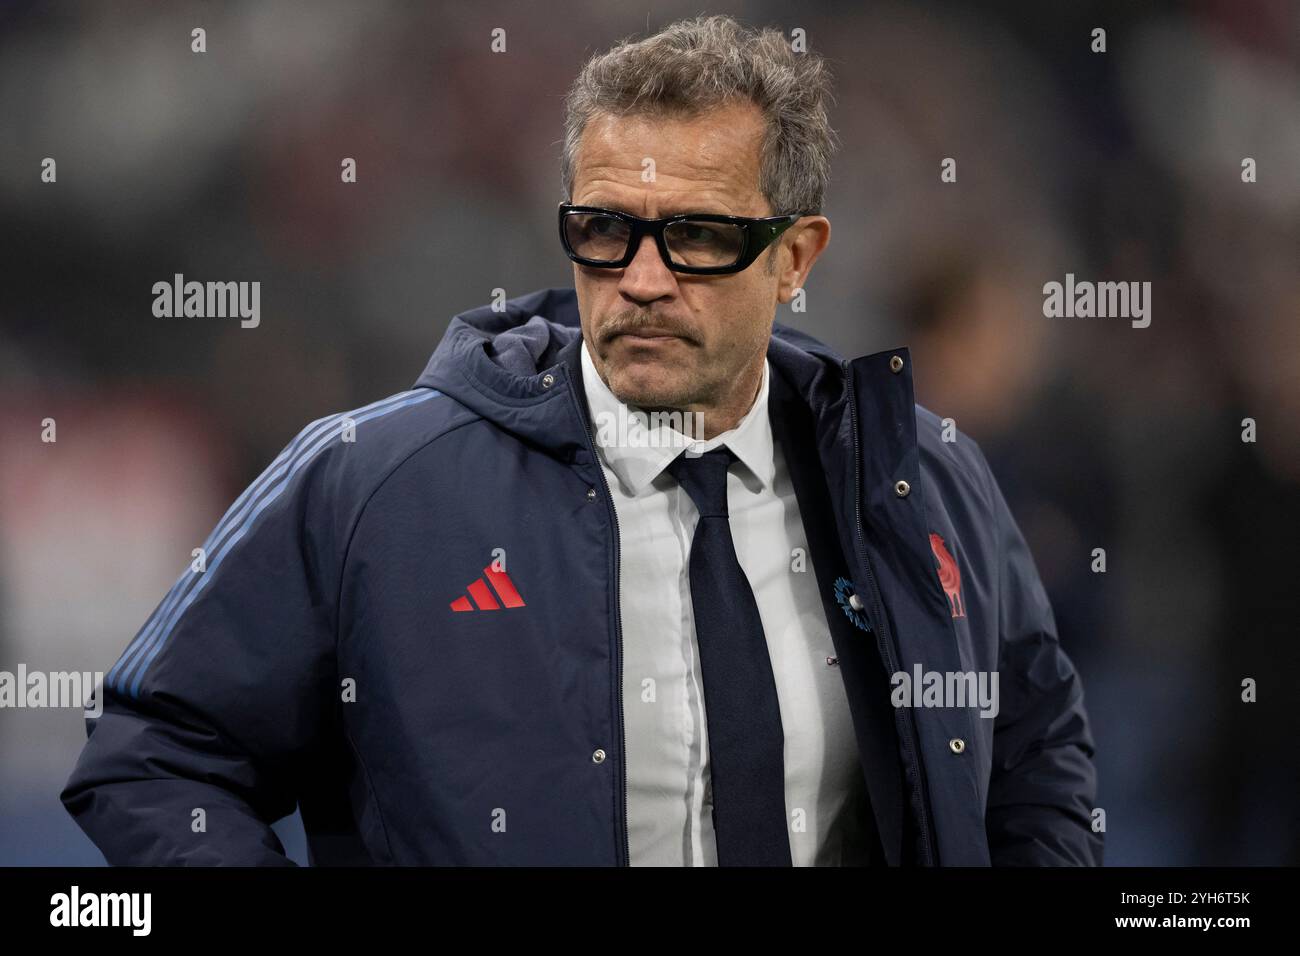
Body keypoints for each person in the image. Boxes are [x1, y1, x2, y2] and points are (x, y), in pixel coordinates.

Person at [62, 14, 1100, 866]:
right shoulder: (370, 484)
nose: (640, 279)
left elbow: (1033, 743)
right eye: (604, 230)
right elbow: (152, 753)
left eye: (695, 235)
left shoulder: (917, 473)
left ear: (795, 256)